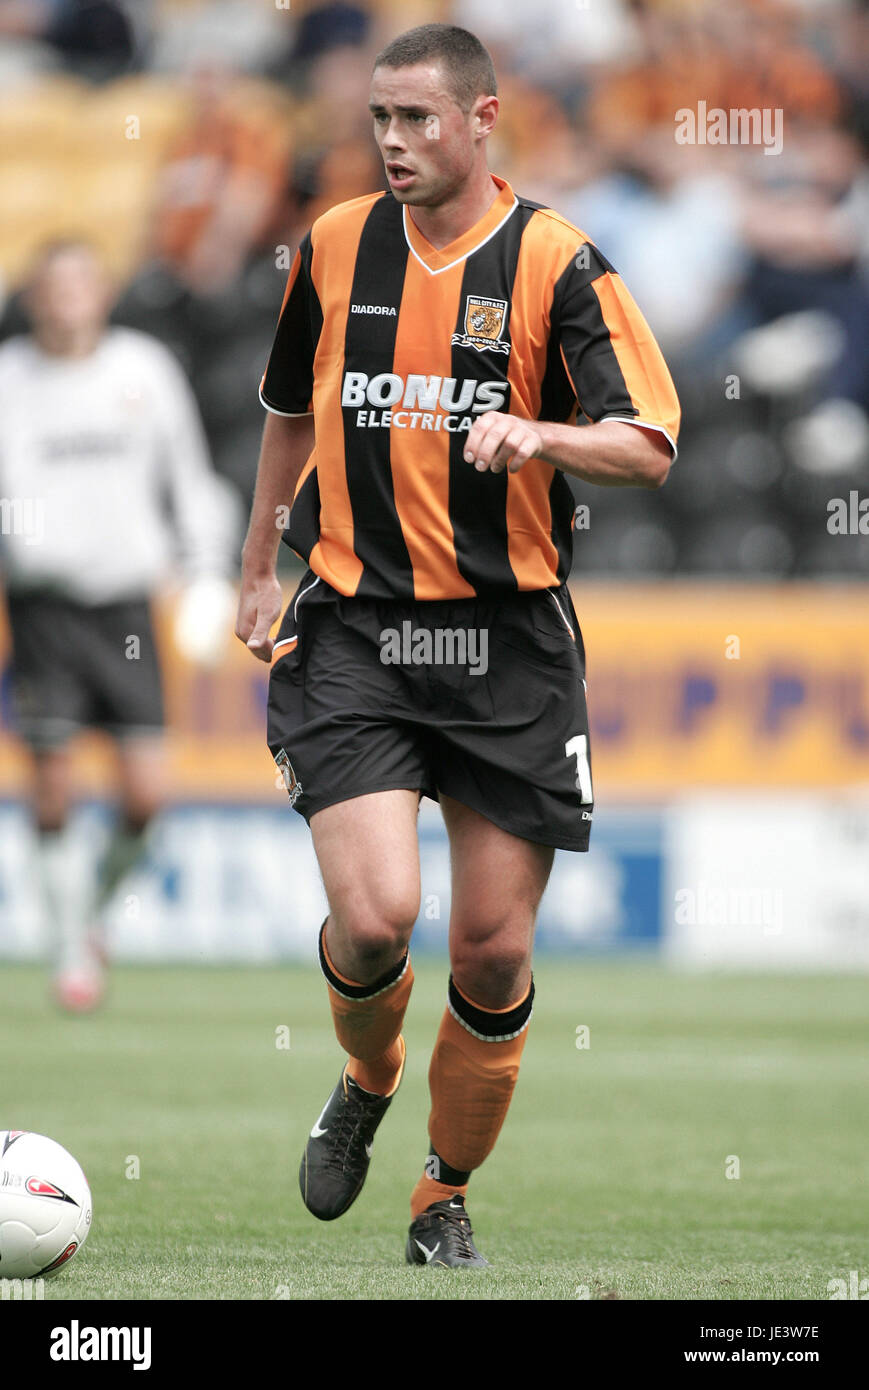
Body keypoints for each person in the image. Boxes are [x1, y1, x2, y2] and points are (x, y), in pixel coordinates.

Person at [236, 23, 680, 1268]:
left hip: (508, 644)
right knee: (378, 921)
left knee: (490, 949)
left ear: (483, 121)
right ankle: (366, 1075)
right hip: (355, 630)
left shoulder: (557, 261)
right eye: (380, 118)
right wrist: (257, 560)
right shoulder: (330, 245)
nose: (391, 141)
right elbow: (285, 409)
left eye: (417, 119)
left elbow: (650, 439)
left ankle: (440, 1193)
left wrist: (541, 436)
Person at [0, 239, 236, 1011]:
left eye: (80, 282)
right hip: (43, 607)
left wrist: (206, 572)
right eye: (53, 284)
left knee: (145, 793)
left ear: (101, 292)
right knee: (54, 785)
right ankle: (70, 952)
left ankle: (91, 916)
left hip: (127, 605)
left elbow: (189, 478)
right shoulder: (9, 381)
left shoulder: (142, 372)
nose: (68, 298)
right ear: (35, 297)